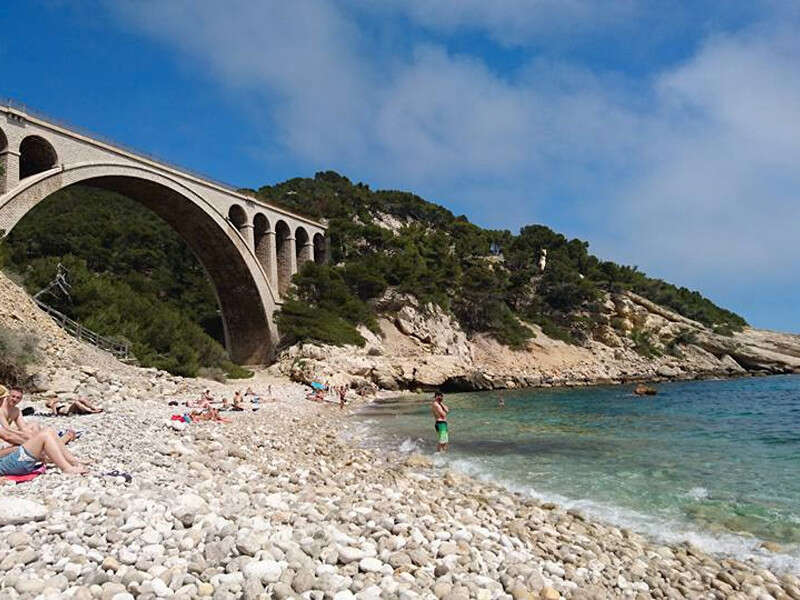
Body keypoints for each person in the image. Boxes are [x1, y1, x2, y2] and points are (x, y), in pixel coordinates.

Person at [0, 388, 88, 475]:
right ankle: (66, 467)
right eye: (5, 398)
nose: (13, 399)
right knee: (44, 436)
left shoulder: (16, 410)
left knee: (44, 430)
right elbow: (8, 434)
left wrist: (31, 438)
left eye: (18, 397)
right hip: (9, 464)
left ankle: (72, 461)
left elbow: (18, 431)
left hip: (9, 461)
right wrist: (32, 439)